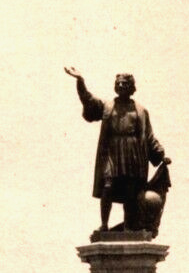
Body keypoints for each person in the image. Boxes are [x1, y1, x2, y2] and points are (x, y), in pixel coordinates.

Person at [65, 67, 170, 232]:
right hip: (112, 152)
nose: (121, 86)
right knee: (108, 186)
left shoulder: (141, 111)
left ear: (131, 87)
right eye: (118, 84)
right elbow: (89, 101)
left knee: (130, 191)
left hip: (133, 154)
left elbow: (148, 136)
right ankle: (104, 225)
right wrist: (80, 81)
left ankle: (128, 226)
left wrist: (160, 153)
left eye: (125, 84)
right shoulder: (108, 106)